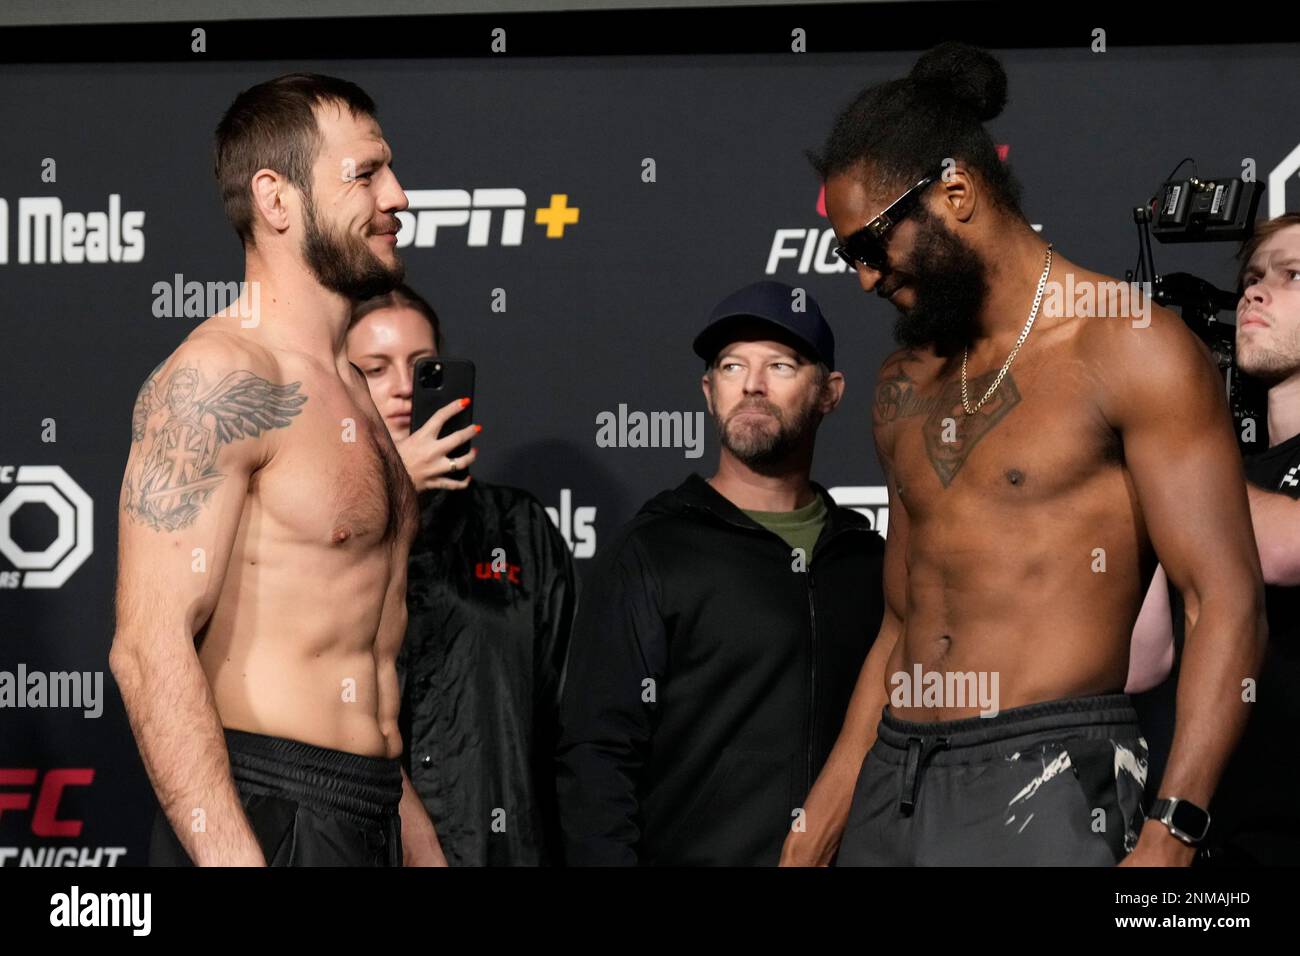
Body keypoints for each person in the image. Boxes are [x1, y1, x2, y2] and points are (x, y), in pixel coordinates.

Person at [783, 43, 1265, 867]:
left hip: (1050, 774)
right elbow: (901, 622)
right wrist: (815, 828)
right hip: (893, 778)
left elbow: (1222, 603)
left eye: (869, 244)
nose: (861, 278)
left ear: (956, 193)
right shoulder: (901, 383)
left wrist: (1171, 835)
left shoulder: (1128, 345)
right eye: (845, 256)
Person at [110, 73, 445, 866]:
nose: (398, 196)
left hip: (370, 808)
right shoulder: (220, 378)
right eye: (366, 174)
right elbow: (147, 646)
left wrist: (416, 838)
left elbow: (362, 647)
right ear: (276, 199)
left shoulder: (352, 388)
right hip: (267, 810)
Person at [556, 280, 886, 865]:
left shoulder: (866, 561)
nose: (752, 385)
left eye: (780, 365)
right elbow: (596, 759)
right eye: (732, 366)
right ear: (709, 392)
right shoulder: (654, 549)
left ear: (830, 393)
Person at [347, 283, 577, 865]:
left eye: (424, 368)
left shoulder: (518, 528)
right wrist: (393, 494)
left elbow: (569, 724)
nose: (403, 387)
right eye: (375, 368)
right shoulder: (312, 537)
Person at [1130, 212, 1300, 865]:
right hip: (1214, 837)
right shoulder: (1220, 476)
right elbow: (1144, 657)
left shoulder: (1205, 487)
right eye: (1253, 277)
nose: (1255, 292)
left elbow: (1284, 553)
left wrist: (1173, 466)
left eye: (1293, 276)